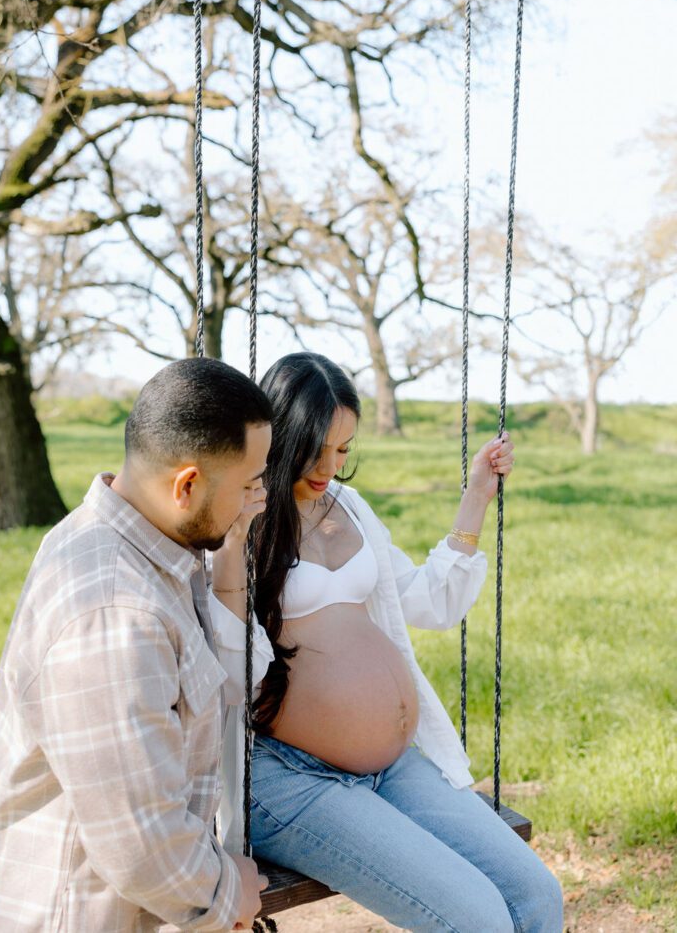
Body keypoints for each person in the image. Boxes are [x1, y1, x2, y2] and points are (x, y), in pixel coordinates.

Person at [208, 352, 564, 932]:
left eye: (343, 450)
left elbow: (426, 601)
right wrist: (231, 556)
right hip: (291, 777)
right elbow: (227, 671)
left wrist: (476, 495)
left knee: (537, 895)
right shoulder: (238, 519)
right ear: (277, 436)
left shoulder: (349, 508)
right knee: (477, 919)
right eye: (313, 449)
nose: (329, 466)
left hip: (393, 766)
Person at [0, 358, 273, 932]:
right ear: (187, 485)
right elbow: (140, 842)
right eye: (249, 483)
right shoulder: (114, 610)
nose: (260, 497)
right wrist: (230, 891)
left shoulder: (144, 547)